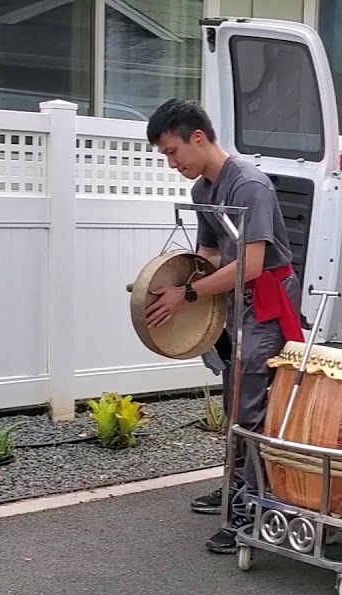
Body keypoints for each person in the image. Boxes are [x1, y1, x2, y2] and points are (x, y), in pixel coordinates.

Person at [143, 98, 304, 554]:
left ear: (199, 137)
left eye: (173, 152)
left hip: (265, 301)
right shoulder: (202, 192)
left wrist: (189, 294)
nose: (172, 163)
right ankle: (238, 485)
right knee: (235, 399)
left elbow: (251, 265)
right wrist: (166, 284)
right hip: (234, 303)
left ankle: (247, 510)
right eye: (165, 156)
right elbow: (211, 256)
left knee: (250, 405)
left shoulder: (249, 185)